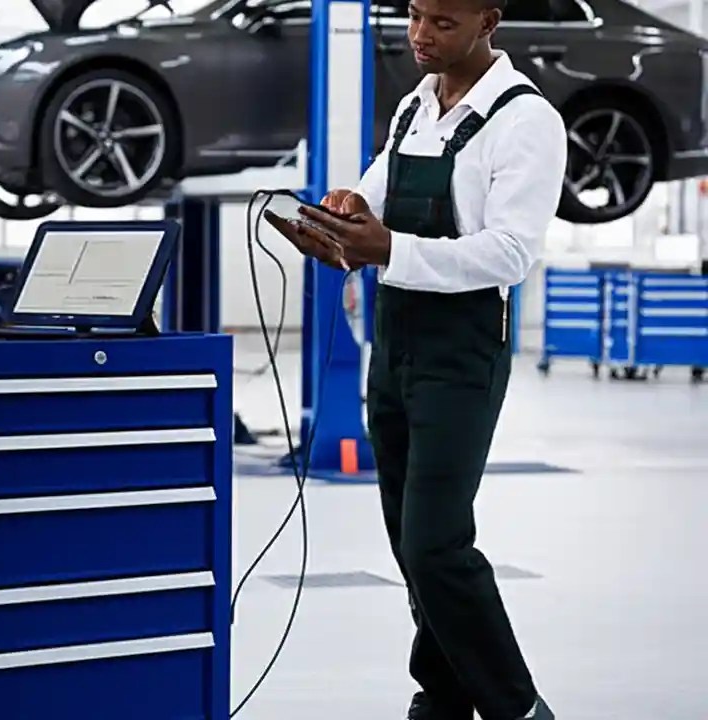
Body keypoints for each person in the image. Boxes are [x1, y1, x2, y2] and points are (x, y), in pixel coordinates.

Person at [269, 0, 567, 717]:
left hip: (461, 348)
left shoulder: (526, 121)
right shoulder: (414, 106)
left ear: (488, 20)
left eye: (443, 23)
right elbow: (376, 196)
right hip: (395, 338)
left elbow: (511, 251)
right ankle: (443, 694)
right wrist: (340, 215)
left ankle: (516, 706)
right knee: (409, 542)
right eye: (414, 17)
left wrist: (389, 250)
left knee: (437, 543)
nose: (421, 37)